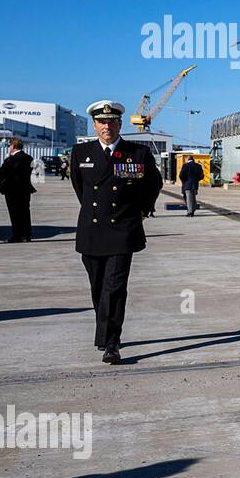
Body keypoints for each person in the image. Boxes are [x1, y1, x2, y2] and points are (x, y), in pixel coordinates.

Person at [71, 101, 163, 364]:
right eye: (102, 122)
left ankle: (111, 342)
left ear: (120, 124)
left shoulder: (138, 153)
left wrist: (142, 212)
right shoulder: (81, 153)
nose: (107, 126)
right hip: (92, 230)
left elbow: (153, 185)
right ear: (95, 125)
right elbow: (81, 190)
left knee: (114, 288)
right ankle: (105, 333)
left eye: (112, 122)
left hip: (123, 230)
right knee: (98, 287)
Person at [0, 138, 36, 242]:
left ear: (13, 146)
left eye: (9, 146)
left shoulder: (10, 159)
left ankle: (17, 235)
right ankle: (27, 235)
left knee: (14, 213)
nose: (9, 148)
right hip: (25, 189)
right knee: (25, 212)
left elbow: (1, 173)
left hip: (12, 189)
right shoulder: (29, 158)